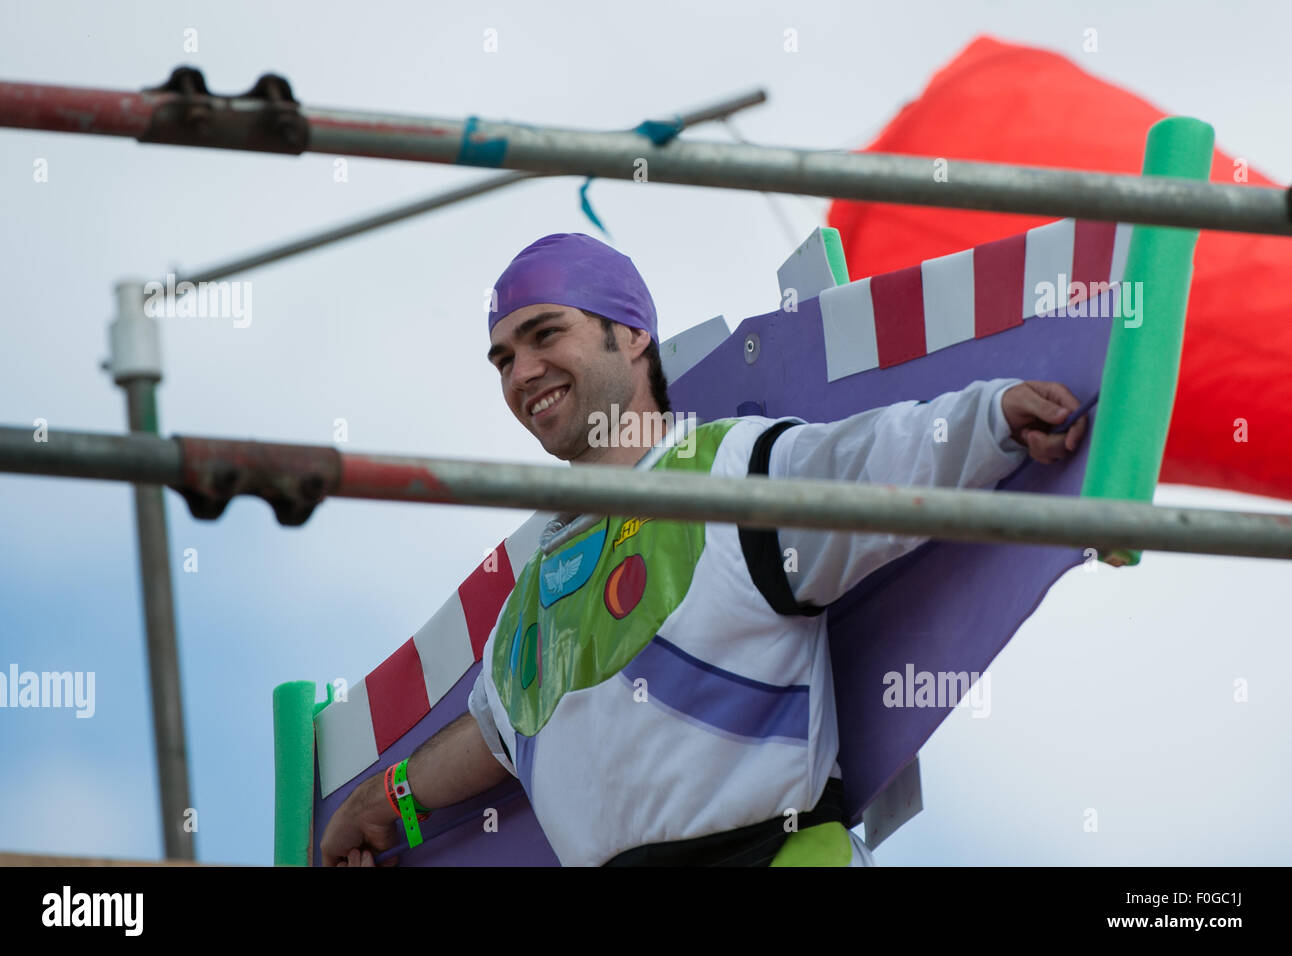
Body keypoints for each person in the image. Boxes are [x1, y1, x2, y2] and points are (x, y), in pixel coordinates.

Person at [321, 233, 1088, 867]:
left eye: (545, 334)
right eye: (502, 359)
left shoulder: (727, 473)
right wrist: (379, 801)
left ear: (631, 334)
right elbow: (493, 730)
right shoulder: (527, 609)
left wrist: (992, 417)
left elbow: (870, 462)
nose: (522, 373)